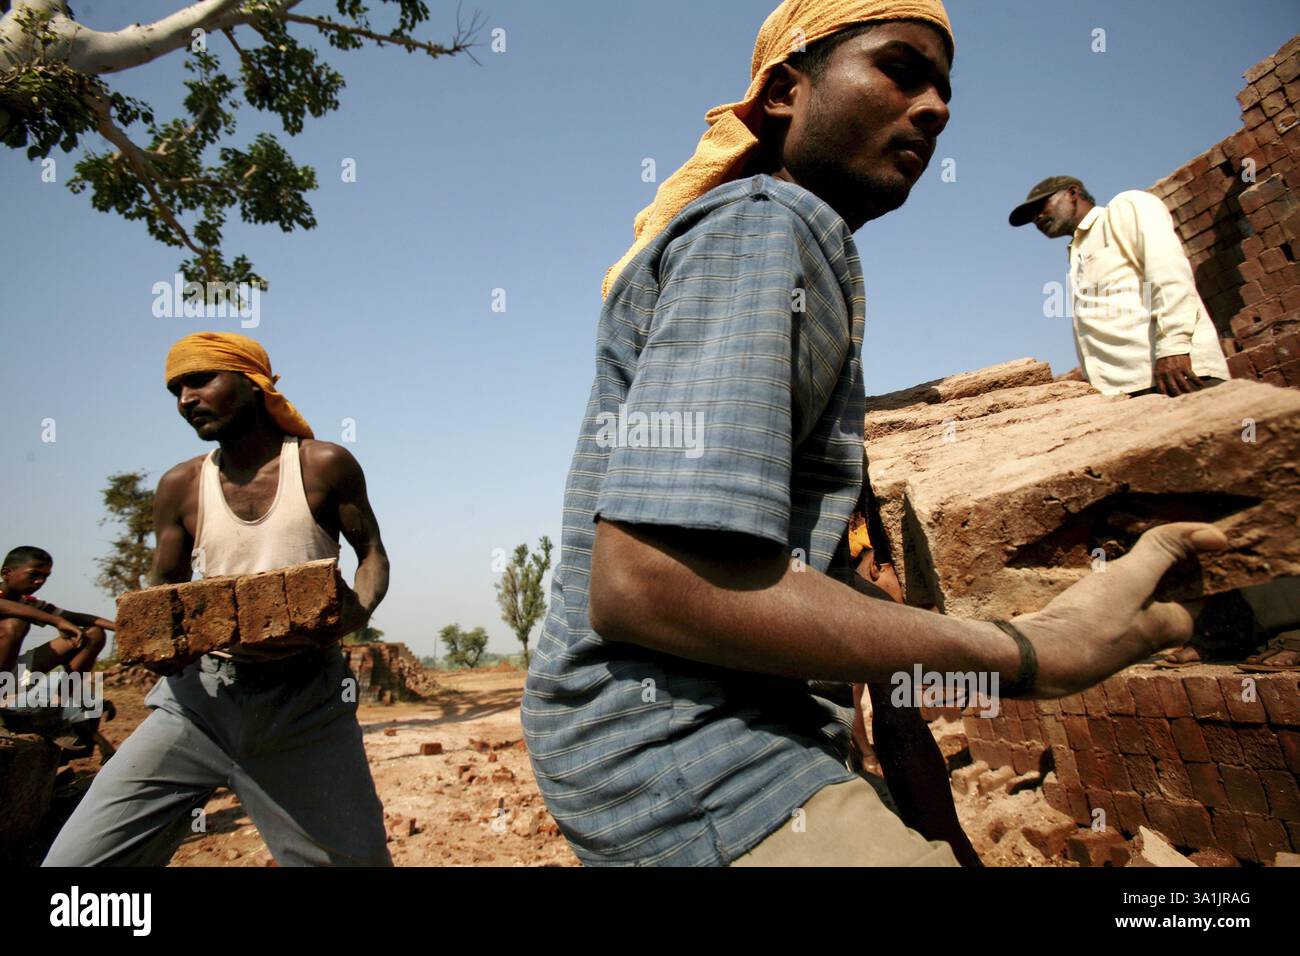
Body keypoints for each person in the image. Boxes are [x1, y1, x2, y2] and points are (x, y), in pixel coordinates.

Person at [522, 0, 1229, 867]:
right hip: (695, 754)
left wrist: (1005, 650)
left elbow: (788, 595)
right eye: (900, 70)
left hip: (704, 740)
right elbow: (648, 580)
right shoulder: (769, 226)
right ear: (786, 92)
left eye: (944, 92)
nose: (934, 109)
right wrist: (1039, 649)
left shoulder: (780, 244)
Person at [43, 332, 392, 866]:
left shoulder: (323, 465)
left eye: (201, 380)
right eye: (176, 389)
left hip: (307, 702)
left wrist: (355, 612)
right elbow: (165, 589)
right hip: (197, 703)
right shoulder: (180, 486)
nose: (186, 399)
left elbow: (371, 555)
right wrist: (161, 641)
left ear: (253, 384)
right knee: (78, 864)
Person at [1009, 176, 1231, 397]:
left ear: (1073, 193)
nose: (1037, 218)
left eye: (1042, 206)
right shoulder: (1078, 251)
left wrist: (1174, 348)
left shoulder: (1124, 208)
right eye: (1031, 217)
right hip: (1133, 390)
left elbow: (1169, 274)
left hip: (1179, 374)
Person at [0, 545, 114, 682]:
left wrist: (121, 628)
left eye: (45, 576)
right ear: (6, 573)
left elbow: (74, 617)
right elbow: (4, 606)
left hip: (12, 674)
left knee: (94, 634)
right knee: (14, 624)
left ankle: (59, 699)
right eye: (33, 574)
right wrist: (57, 622)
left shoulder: (27, 602)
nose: (40, 581)